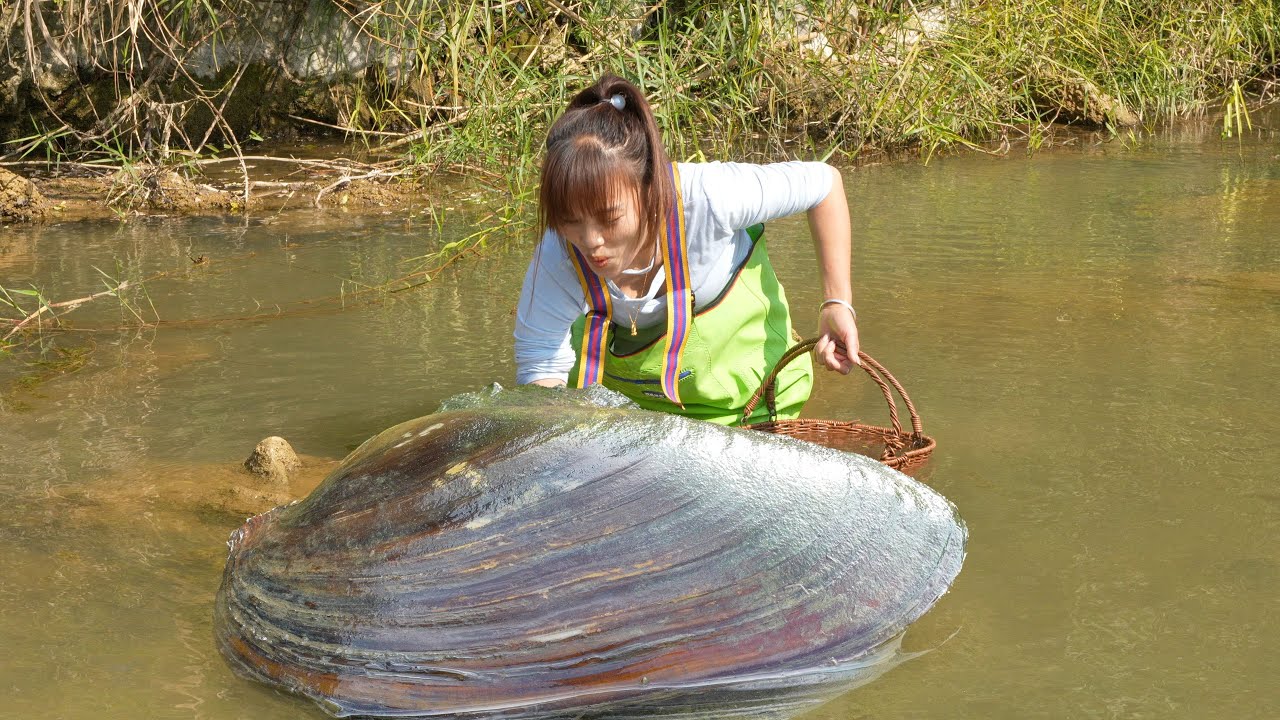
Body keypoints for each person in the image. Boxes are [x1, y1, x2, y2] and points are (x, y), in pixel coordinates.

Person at [514, 74, 859, 425]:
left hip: (752, 408)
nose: (590, 241)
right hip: (630, 420)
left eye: (609, 218)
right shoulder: (558, 250)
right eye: (570, 221)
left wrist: (837, 302)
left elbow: (824, 185)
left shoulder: (711, 197)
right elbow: (541, 364)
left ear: (649, 187)